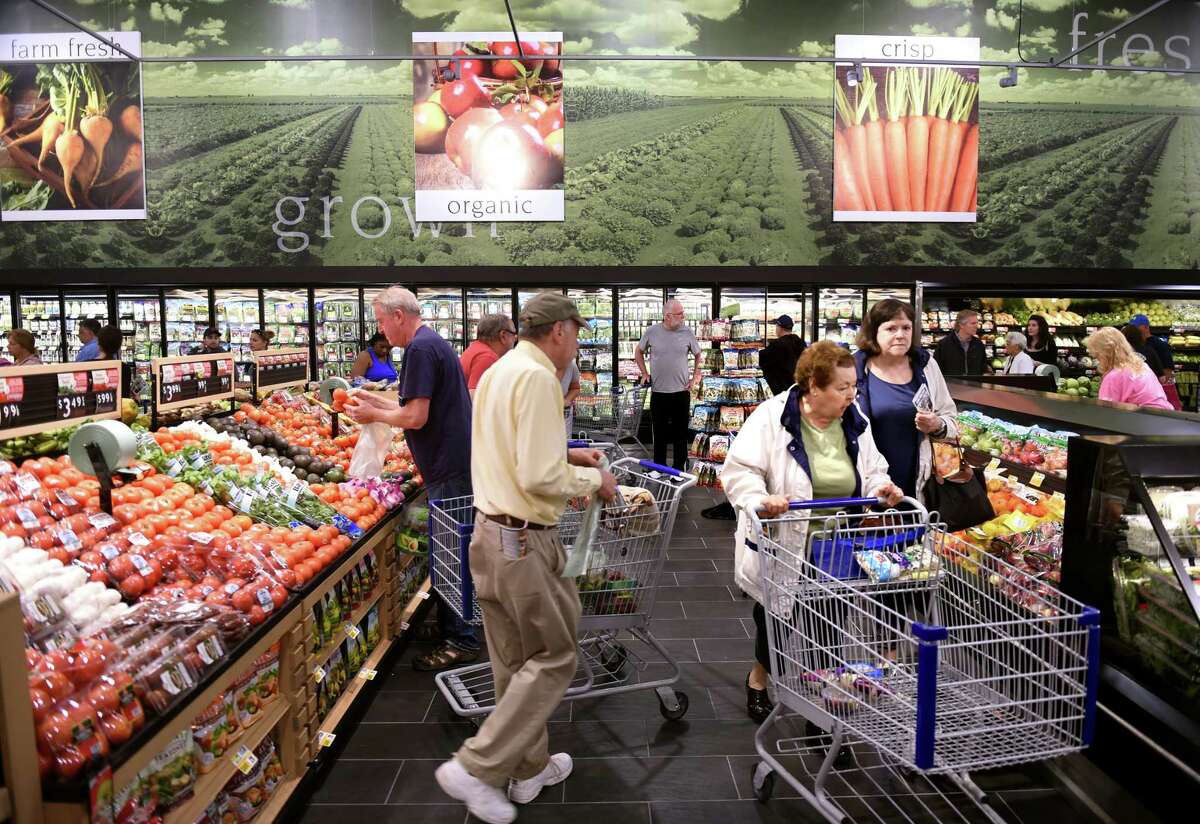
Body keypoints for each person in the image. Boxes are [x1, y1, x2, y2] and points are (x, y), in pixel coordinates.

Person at [435, 293, 617, 824]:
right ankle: (476, 766)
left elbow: (508, 448)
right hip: (524, 542)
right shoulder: (539, 378)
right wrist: (594, 479)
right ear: (558, 331)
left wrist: (566, 452)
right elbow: (538, 476)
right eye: (576, 333)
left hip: (487, 534)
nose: (576, 344)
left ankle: (529, 768)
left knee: (513, 664)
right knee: (556, 655)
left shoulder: (500, 369)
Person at [721, 341, 903, 725]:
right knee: (775, 622)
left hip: (836, 543)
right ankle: (758, 679)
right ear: (813, 387)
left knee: (829, 628)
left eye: (854, 386)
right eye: (842, 387)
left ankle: (824, 717)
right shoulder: (772, 417)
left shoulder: (854, 420)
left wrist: (880, 489)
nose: (851, 395)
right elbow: (740, 471)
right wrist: (761, 499)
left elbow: (872, 469)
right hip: (786, 539)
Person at [343, 286, 480, 670]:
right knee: (451, 550)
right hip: (453, 462)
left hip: (447, 466)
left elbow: (415, 417)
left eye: (381, 321)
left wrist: (373, 414)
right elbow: (412, 405)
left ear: (398, 316)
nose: (381, 330)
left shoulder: (419, 349)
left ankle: (462, 639)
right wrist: (374, 402)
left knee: (451, 554)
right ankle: (452, 626)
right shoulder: (431, 343)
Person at [854, 299, 959, 502]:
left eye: (906, 328)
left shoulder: (926, 366)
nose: (900, 335)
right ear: (874, 332)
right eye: (891, 328)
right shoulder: (855, 368)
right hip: (869, 482)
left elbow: (952, 419)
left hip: (918, 481)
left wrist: (937, 425)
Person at [635, 299, 702, 469]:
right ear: (668, 316)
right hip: (659, 392)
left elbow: (698, 354)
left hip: (681, 392)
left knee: (680, 433)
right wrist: (644, 373)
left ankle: (680, 468)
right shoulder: (652, 332)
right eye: (680, 314)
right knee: (660, 433)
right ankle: (660, 467)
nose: (683, 317)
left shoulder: (687, 332)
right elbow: (638, 351)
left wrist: (695, 376)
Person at [1086, 326, 1172, 410]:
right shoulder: (1141, 365)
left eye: (1097, 355)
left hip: (1143, 417)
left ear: (1105, 354)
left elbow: (1105, 411)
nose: (1098, 360)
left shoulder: (1114, 376)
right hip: (1165, 414)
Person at [1131, 313, 1182, 410]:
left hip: (1160, 391)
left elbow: (1168, 371)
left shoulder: (1160, 345)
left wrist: (1155, 387)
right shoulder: (1134, 344)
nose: (1134, 330)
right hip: (1143, 392)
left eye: (1136, 327)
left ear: (1146, 327)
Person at [461, 314, 515, 396]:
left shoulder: (475, 348)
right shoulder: (487, 357)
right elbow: (474, 397)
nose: (515, 338)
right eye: (513, 333)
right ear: (503, 335)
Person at [759, 314, 808, 395]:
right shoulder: (801, 343)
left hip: (782, 390)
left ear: (779, 327)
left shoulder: (778, 345)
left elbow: (761, 359)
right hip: (798, 387)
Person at [933, 309, 988, 376]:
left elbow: (983, 367)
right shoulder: (944, 344)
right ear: (961, 325)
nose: (977, 326)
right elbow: (936, 370)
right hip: (951, 382)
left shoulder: (979, 344)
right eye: (973, 323)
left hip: (974, 382)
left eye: (977, 323)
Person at [97, 325, 134, 400]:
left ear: (99, 344)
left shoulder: (88, 366)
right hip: (118, 407)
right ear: (119, 346)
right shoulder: (124, 368)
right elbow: (124, 397)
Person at [560, 359, 581, 438]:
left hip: (564, 412)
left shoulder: (571, 365)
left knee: (564, 441)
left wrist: (567, 400)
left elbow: (575, 388)